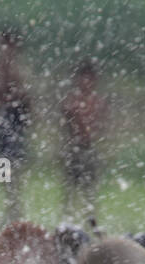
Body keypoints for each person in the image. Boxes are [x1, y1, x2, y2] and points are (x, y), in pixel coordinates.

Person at [0, 29, 32, 223]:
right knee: (5, 164)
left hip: (11, 119)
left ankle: (13, 208)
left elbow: (23, 97)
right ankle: (11, 205)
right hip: (6, 119)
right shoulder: (0, 66)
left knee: (9, 163)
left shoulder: (14, 68)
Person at [59, 59, 108, 223]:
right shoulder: (72, 102)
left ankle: (89, 222)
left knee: (89, 191)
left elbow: (100, 128)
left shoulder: (97, 102)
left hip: (89, 149)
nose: (86, 82)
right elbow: (68, 127)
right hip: (75, 149)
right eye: (83, 78)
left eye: (89, 78)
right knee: (71, 190)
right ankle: (68, 221)